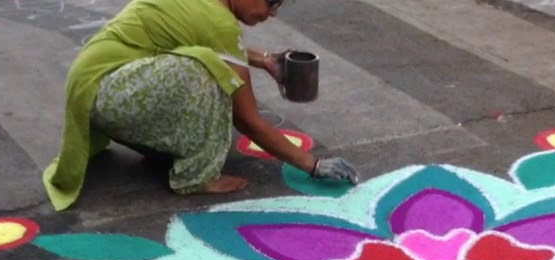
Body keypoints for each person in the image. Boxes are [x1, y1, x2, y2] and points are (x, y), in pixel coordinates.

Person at [43, 0, 359, 210]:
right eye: (270, 1)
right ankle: (195, 176)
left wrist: (263, 59)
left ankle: (164, 147)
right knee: (209, 72)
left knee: (206, 61)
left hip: (100, 87)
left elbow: (198, 38)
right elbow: (247, 120)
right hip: (111, 95)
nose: (272, 12)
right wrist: (312, 165)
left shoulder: (208, 6)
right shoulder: (219, 22)